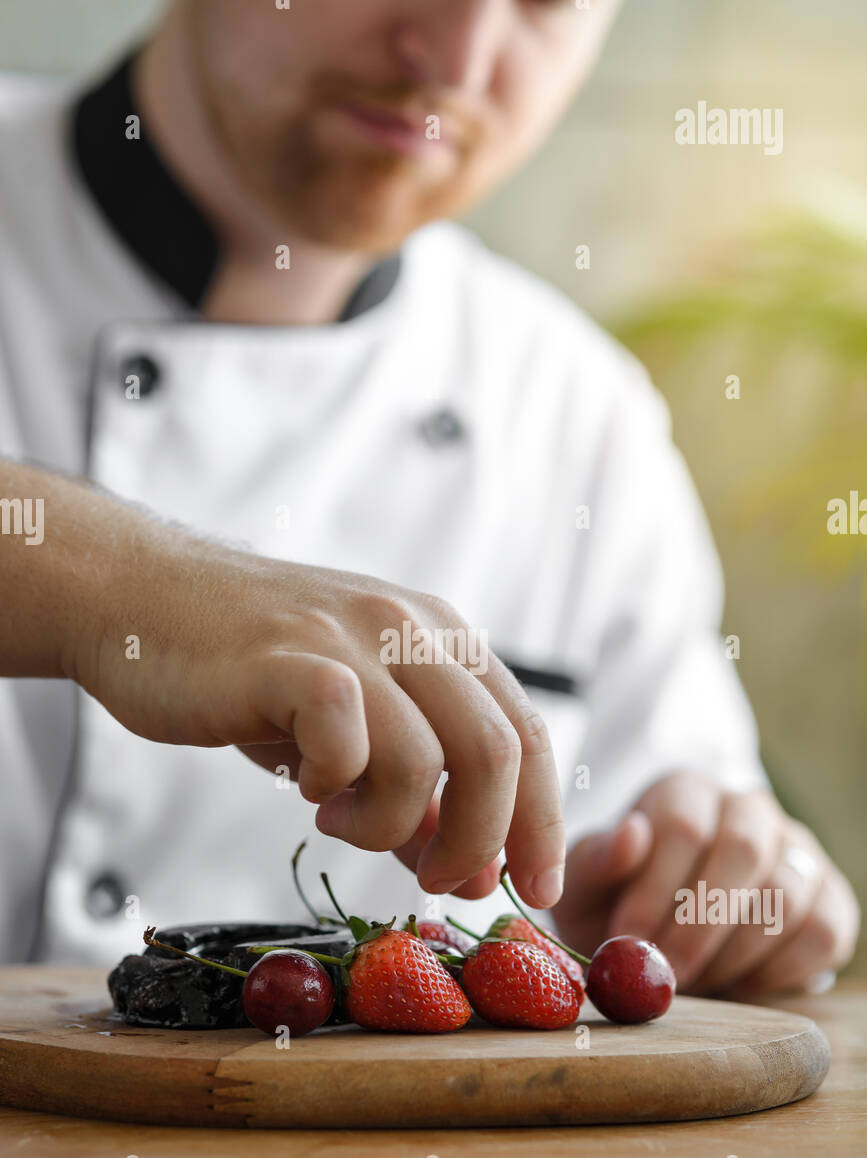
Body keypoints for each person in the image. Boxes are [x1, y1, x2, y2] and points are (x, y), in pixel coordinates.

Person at [0, 0, 857, 995]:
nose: (456, 57)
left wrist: (737, 881)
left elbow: (686, 814)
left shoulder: (576, 408)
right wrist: (131, 588)